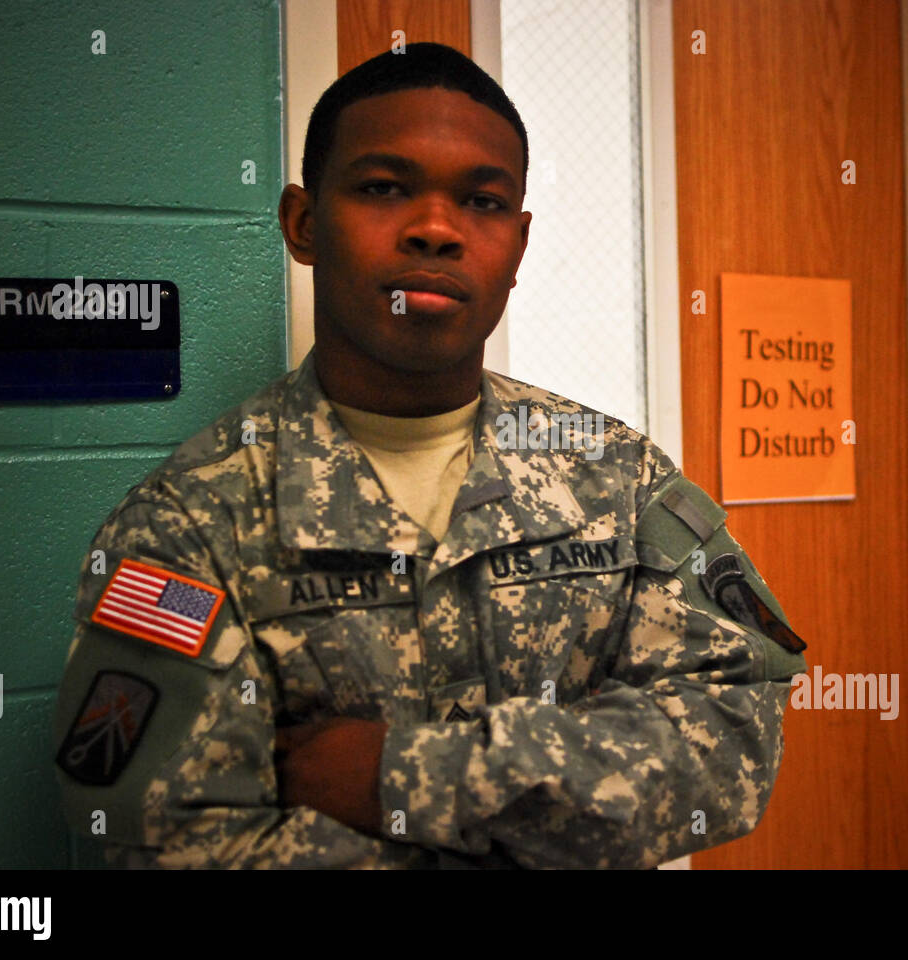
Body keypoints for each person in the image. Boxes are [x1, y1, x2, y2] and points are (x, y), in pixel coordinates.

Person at [52, 42, 806, 869]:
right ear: (304, 224)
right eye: (384, 188)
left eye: (482, 202)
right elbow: (168, 847)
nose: (437, 230)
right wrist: (561, 812)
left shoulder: (617, 477)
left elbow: (730, 738)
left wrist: (398, 775)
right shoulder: (189, 525)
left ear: (517, 248)